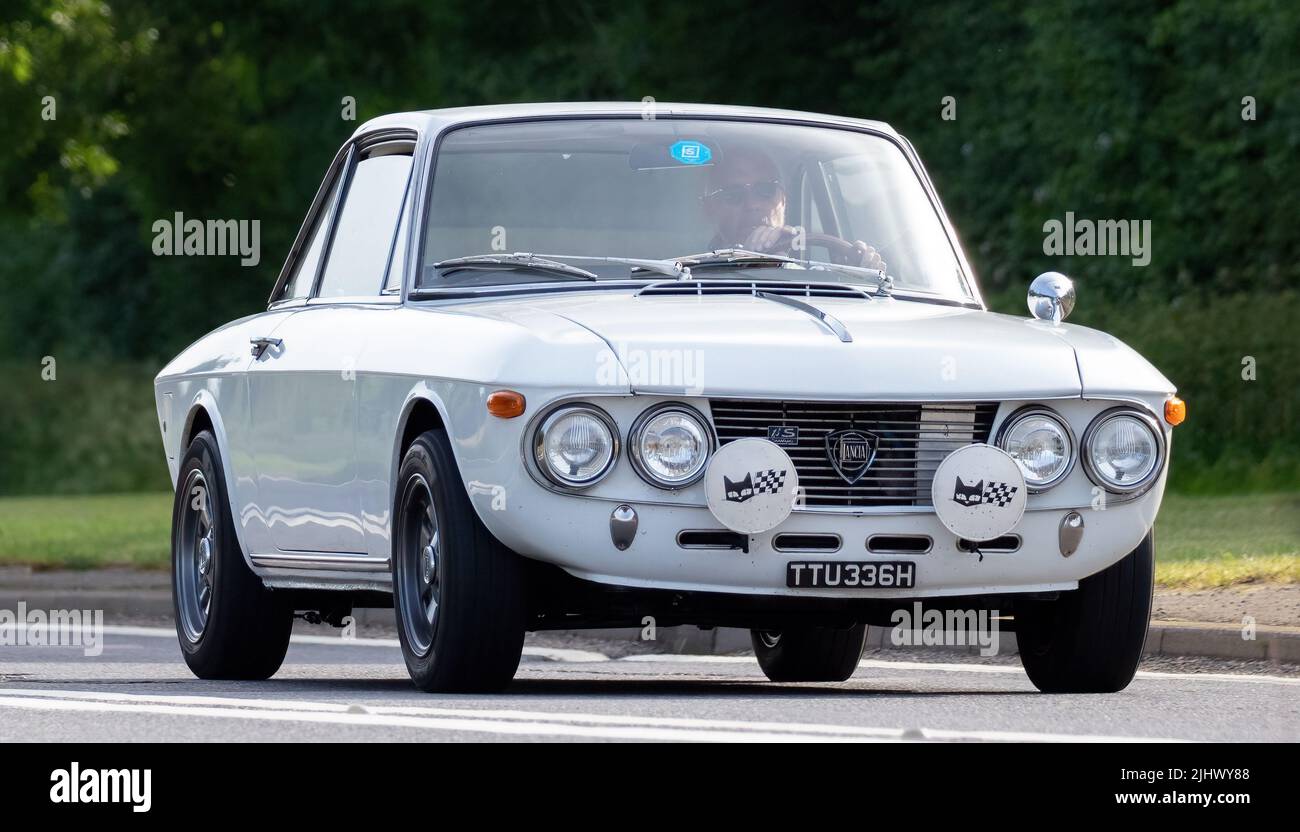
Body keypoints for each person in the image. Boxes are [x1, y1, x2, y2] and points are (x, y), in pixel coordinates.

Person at [701, 145, 887, 272]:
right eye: (733, 194)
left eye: (765, 190)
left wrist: (860, 277)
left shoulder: (816, 277)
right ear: (710, 208)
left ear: (783, 200)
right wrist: (746, 263)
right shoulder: (689, 278)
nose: (752, 205)